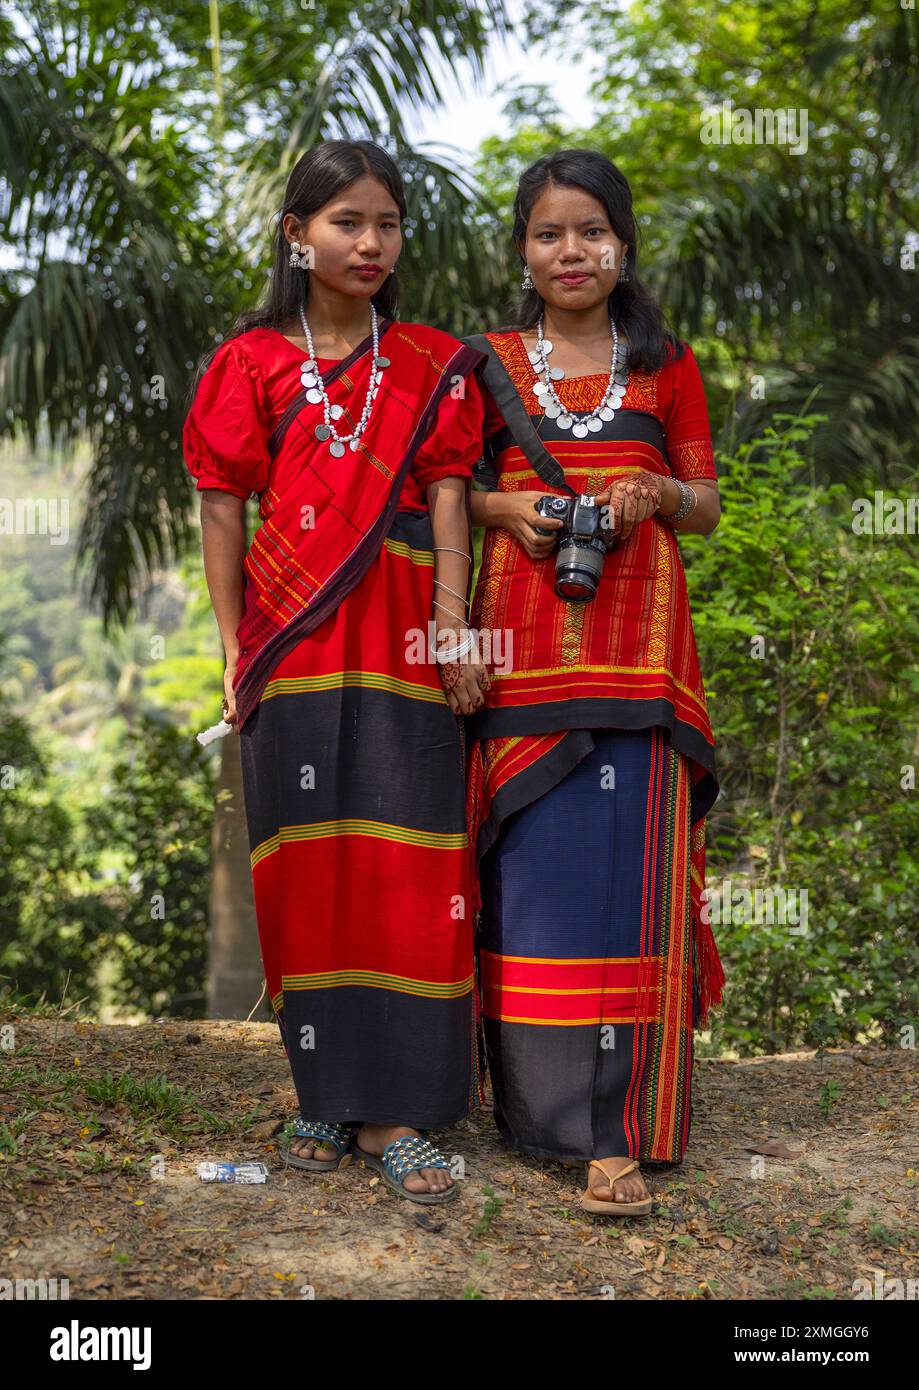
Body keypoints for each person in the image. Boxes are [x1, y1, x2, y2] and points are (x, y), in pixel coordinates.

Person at [182, 139, 491, 1204]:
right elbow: (223, 507)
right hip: (293, 641)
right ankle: (323, 1091)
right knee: (308, 864)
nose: (369, 242)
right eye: (347, 221)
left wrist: (456, 627)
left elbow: (453, 492)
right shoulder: (250, 362)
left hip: (410, 636)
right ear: (296, 234)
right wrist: (234, 647)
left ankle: (398, 1113)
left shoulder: (432, 362)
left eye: (387, 224)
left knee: (411, 863)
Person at [463, 149, 725, 1217]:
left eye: (589, 231)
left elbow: (705, 502)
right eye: (546, 233)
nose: (569, 251)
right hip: (518, 650)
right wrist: (504, 513)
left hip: (640, 654)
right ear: (522, 250)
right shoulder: (480, 363)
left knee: (630, 884)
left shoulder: (668, 363)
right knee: (528, 881)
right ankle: (529, 1110)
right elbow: (447, 490)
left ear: (622, 243)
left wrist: (656, 487)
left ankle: (618, 1135)